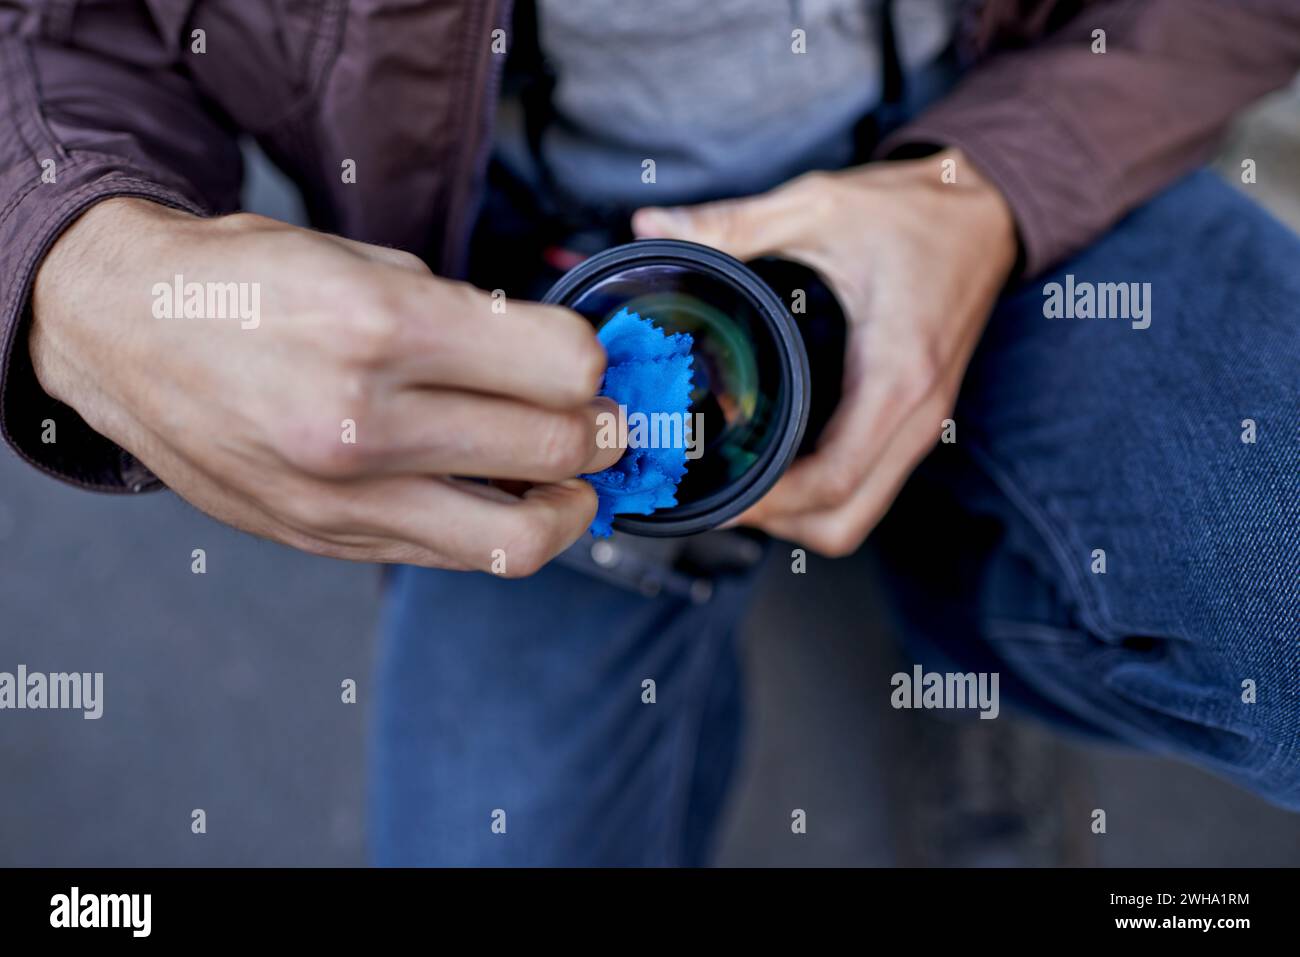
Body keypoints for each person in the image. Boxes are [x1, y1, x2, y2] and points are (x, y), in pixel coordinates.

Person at [2, 0, 1297, 865]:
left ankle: (961, 617)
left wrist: (987, 191)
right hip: (501, 287)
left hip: (1004, 138)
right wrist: (82, 267)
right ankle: (959, 603)